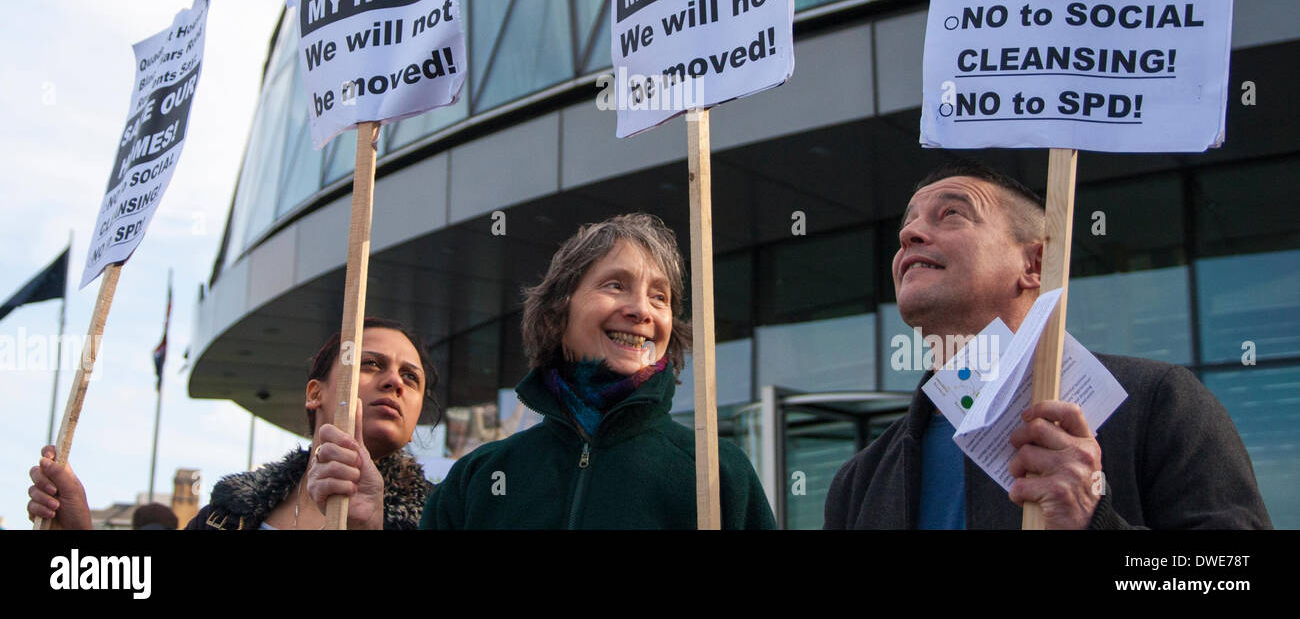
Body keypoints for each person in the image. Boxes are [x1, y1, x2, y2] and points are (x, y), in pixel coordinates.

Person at [824, 159, 1272, 529]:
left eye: (952, 214)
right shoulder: (858, 480)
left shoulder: (1157, 403)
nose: (909, 235)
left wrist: (1092, 519)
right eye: (909, 224)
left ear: (1035, 263)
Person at [412, 212, 774, 528]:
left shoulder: (718, 474)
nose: (642, 311)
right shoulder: (476, 478)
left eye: (659, 297)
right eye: (616, 285)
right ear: (558, 311)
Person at [28, 317, 437, 530]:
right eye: (370, 364)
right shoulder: (227, 514)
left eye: (411, 377)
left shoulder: (449, 514)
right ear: (315, 392)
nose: (393, 382)